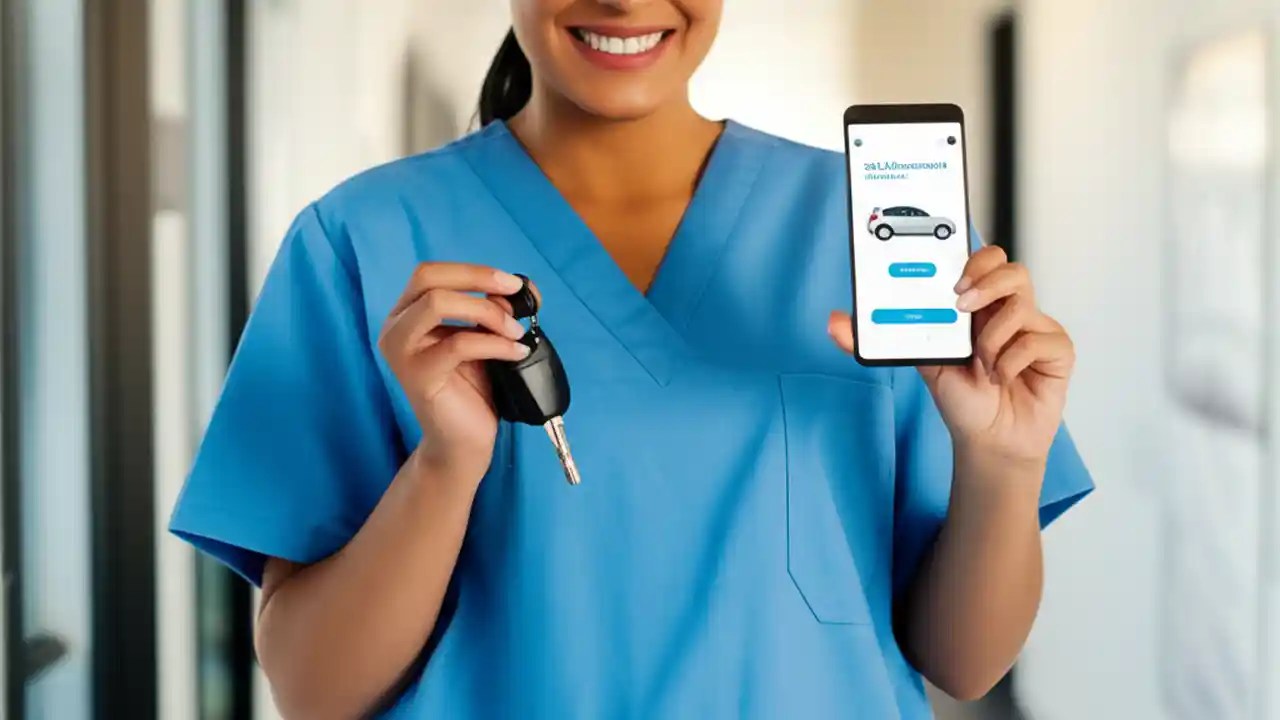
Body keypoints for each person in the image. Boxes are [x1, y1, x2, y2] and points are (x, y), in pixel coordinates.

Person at [169, 1, 1093, 718]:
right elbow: (313, 693)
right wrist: (446, 466)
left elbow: (965, 666)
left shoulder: (873, 236)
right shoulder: (360, 242)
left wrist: (1003, 465)